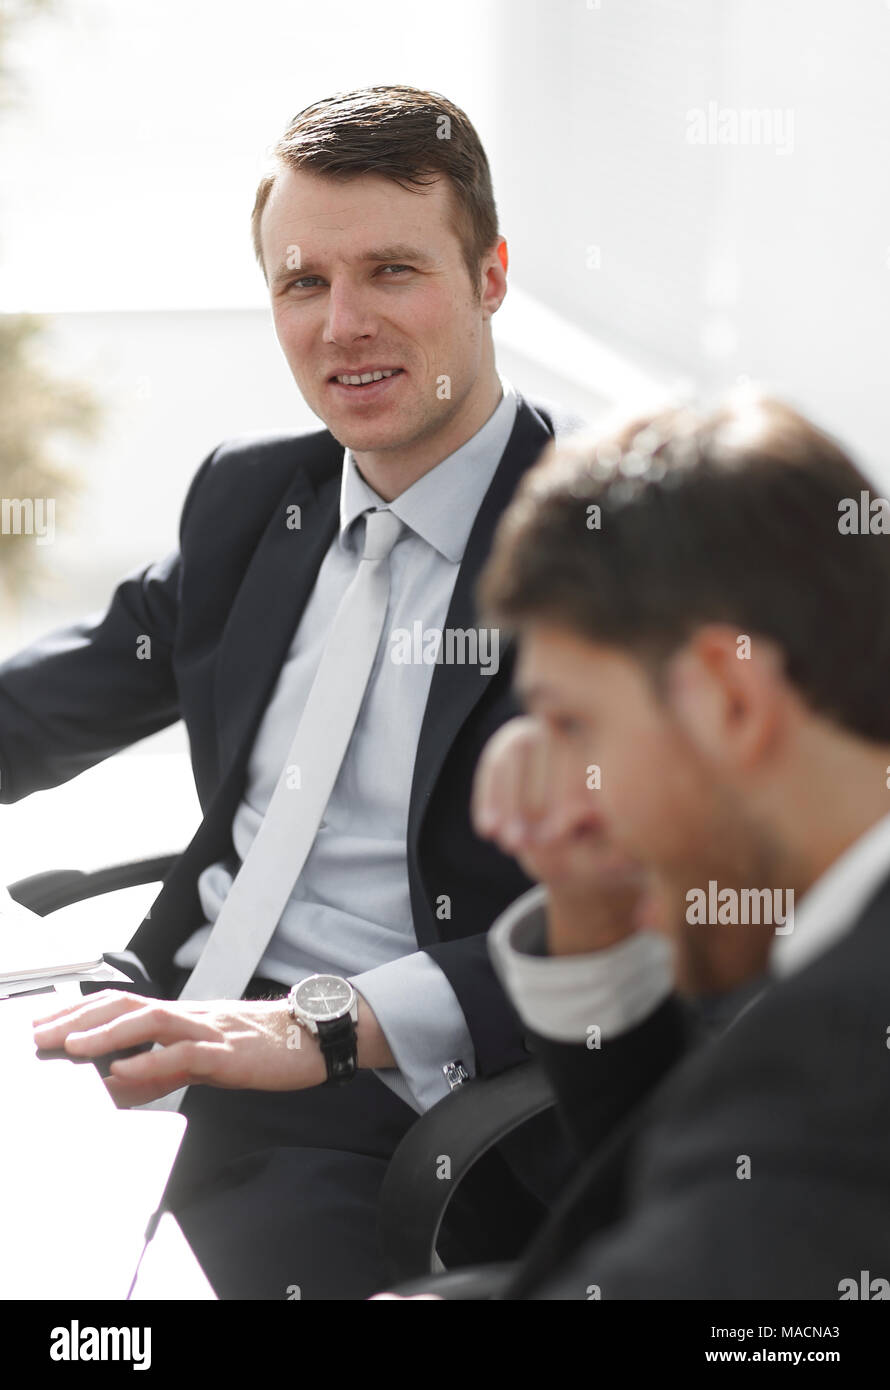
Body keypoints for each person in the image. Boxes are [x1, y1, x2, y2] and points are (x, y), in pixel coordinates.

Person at [12, 85, 580, 1299]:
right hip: (156, 1012)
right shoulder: (250, 497)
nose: (343, 325)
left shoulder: (608, 540)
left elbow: (651, 914)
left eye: (390, 270)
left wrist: (313, 1028)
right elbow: (50, 700)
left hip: (391, 1103)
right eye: (302, 283)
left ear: (487, 278)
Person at [388, 390, 890, 1298]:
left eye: (574, 725)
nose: (563, 795)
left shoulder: (844, 1053)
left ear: (729, 700)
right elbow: (704, 1216)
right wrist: (591, 905)